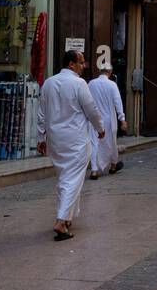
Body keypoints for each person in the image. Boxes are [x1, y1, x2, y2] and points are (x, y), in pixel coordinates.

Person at [40, 49, 105, 241]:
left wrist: (40, 138)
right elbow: (91, 109)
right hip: (75, 139)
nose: (84, 66)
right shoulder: (79, 83)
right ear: (71, 64)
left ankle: (66, 218)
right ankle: (61, 221)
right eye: (81, 62)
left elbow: (42, 113)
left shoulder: (49, 83)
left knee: (64, 178)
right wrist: (100, 128)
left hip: (55, 139)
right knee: (72, 179)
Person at [88, 67, 126, 179]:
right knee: (111, 143)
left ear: (100, 71)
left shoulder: (91, 84)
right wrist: (122, 119)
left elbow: (87, 101)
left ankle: (94, 170)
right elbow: (117, 102)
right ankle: (113, 165)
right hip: (108, 120)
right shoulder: (112, 85)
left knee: (95, 144)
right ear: (110, 72)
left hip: (94, 119)